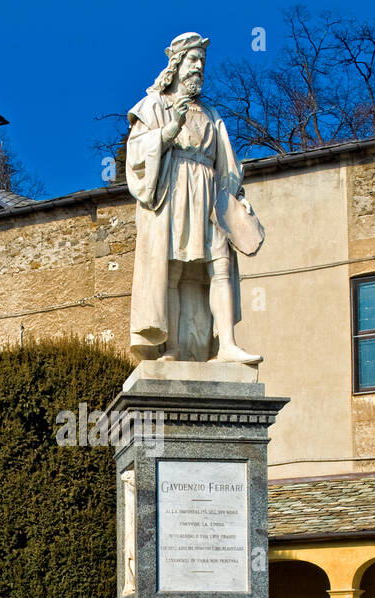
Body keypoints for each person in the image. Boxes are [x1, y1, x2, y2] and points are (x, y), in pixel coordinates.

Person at [126, 32, 264, 365]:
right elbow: (136, 154)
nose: (199, 67)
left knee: (219, 266)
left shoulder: (211, 114)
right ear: (176, 64)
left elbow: (227, 165)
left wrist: (238, 198)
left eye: (202, 61)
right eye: (193, 60)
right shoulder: (153, 106)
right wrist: (167, 133)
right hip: (172, 192)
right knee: (170, 268)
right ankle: (171, 347)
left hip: (210, 194)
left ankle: (227, 344)